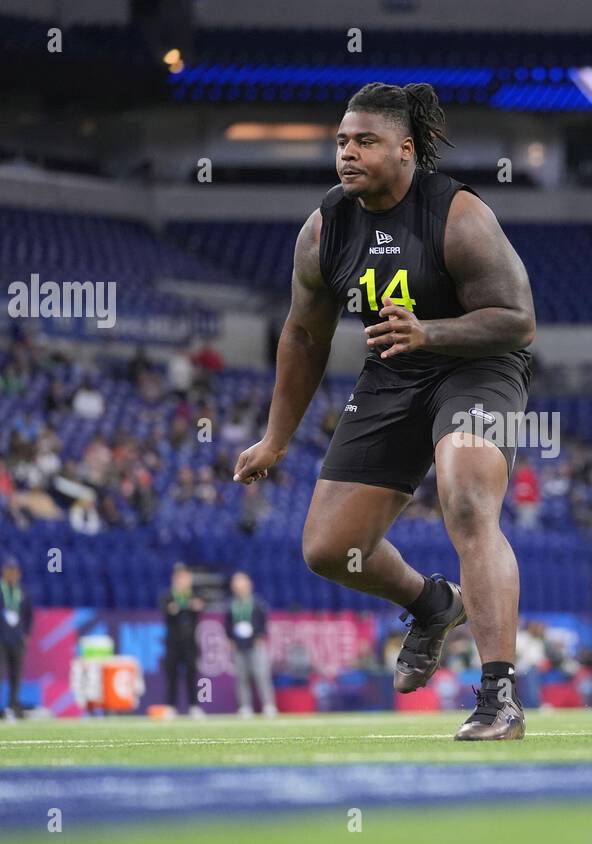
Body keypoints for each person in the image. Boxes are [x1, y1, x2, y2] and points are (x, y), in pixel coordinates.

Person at [233, 83, 535, 741]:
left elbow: (518, 323)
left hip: (478, 368)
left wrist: (434, 333)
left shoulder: (458, 216)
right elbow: (305, 335)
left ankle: (499, 697)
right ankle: (432, 606)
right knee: (329, 549)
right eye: (341, 141)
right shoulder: (325, 228)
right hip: (394, 372)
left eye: (364, 141)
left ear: (406, 150)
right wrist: (275, 438)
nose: (347, 152)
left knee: (465, 497)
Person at [0, 556, 33, 722]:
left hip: (17, 639)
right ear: (3, 572)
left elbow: (28, 615)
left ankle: (12, 708)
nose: (12, 574)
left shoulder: (23, 591)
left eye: (15, 571)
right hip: (0, 638)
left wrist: (26, 634)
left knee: (16, 674)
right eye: (9, 570)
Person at [224, 572, 276, 717]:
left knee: (262, 675)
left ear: (248, 585)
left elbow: (263, 622)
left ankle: (268, 705)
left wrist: (260, 636)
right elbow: (227, 625)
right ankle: (245, 706)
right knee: (241, 677)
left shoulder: (257, 604)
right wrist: (230, 639)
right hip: (239, 645)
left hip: (255, 644)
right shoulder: (231, 606)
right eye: (236, 584)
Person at [162, 564, 205, 718]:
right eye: (181, 578)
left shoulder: (195, 595)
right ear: (175, 579)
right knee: (172, 675)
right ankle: (170, 706)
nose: (184, 581)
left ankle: (194, 705)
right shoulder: (168, 596)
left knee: (192, 674)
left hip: (190, 642)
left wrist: (194, 606)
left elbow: (201, 607)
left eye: (187, 578)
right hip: (173, 642)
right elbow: (166, 610)